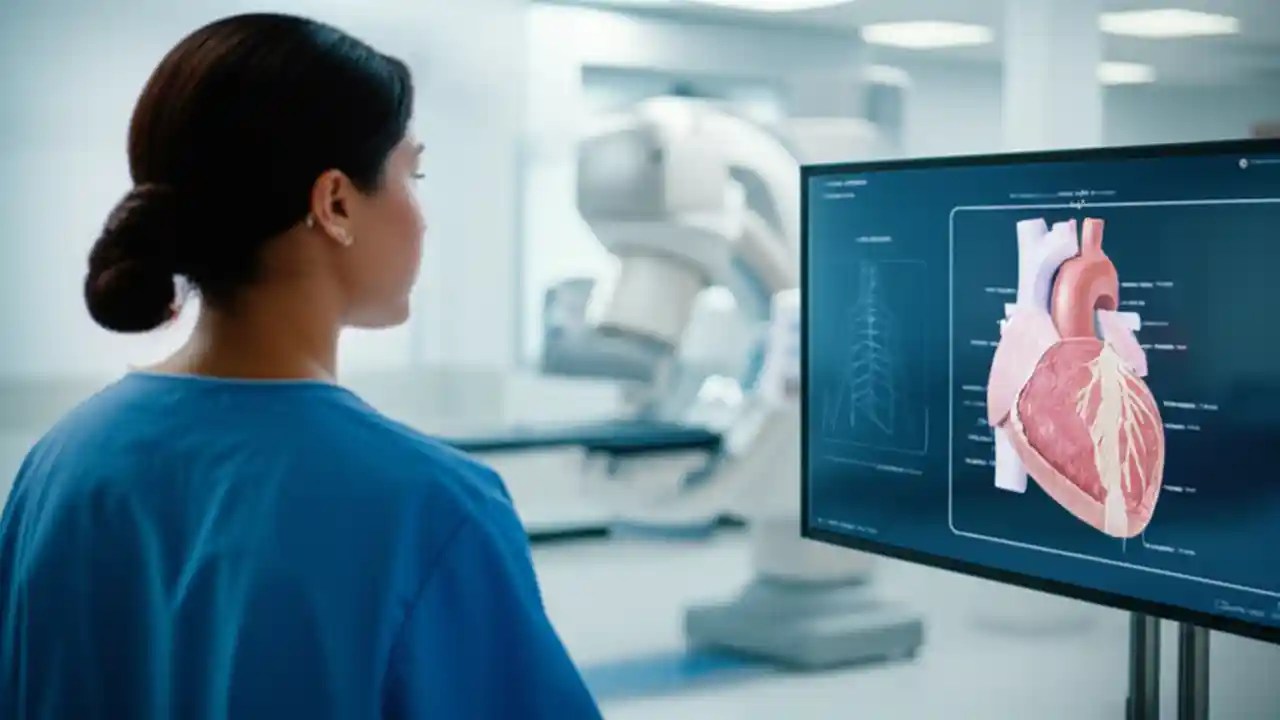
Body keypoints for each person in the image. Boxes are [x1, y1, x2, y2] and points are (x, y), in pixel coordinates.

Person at [0, 13, 602, 720]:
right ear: (337, 202)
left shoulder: (59, 467)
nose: (424, 216)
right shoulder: (429, 509)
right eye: (414, 173)